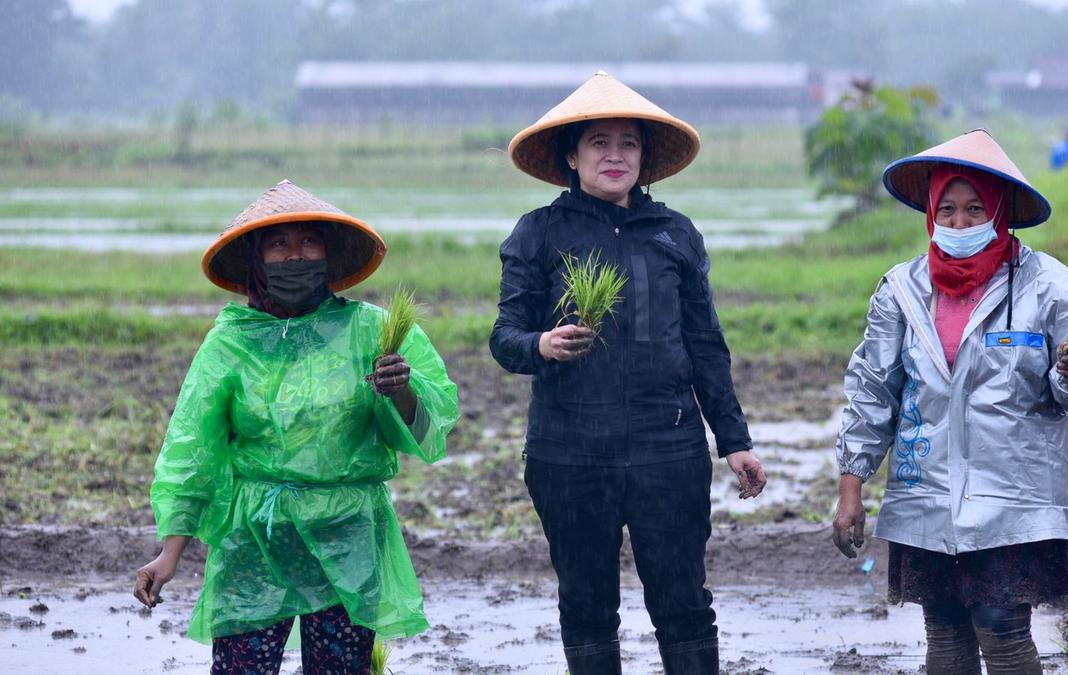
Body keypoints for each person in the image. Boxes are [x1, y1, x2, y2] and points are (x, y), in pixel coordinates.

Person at [491, 71, 767, 675]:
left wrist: (735, 440)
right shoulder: (538, 233)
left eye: (629, 143)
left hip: (666, 446)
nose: (615, 155)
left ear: (645, 157)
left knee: (684, 601)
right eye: (599, 142)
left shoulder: (674, 233)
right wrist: (542, 344)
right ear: (571, 155)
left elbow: (706, 346)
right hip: (568, 450)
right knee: (586, 605)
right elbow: (504, 339)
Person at [133, 180, 459, 674]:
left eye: (309, 241)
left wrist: (401, 389)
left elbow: (429, 425)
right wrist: (170, 553)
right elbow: (192, 448)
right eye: (279, 243)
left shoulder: (372, 330)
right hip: (256, 538)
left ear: (328, 254)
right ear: (256, 259)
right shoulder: (231, 343)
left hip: (347, 533)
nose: (295, 256)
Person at [832, 129, 1068, 674]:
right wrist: (851, 489)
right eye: (949, 211)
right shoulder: (902, 291)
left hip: (1015, 495)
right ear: (932, 215)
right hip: (927, 491)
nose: (960, 225)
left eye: (974, 210)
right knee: (945, 630)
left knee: (1003, 628)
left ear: (1000, 211)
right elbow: (872, 392)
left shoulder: (1050, 288)